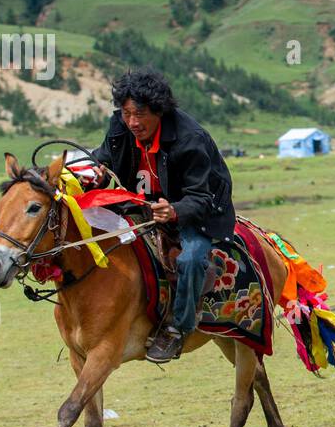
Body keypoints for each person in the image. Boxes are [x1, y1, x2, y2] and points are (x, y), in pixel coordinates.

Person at [92, 68, 237, 363]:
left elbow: (202, 197)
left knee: (192, 259)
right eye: (126, 113)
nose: (132, 122)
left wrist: (174, 210)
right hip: (140, 207)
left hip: (196, 214)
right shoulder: (120, 128)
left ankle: (177, 327)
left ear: (159, 111)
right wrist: (93, 174)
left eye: (140, 114)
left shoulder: (190, 139)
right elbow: (103, 159)